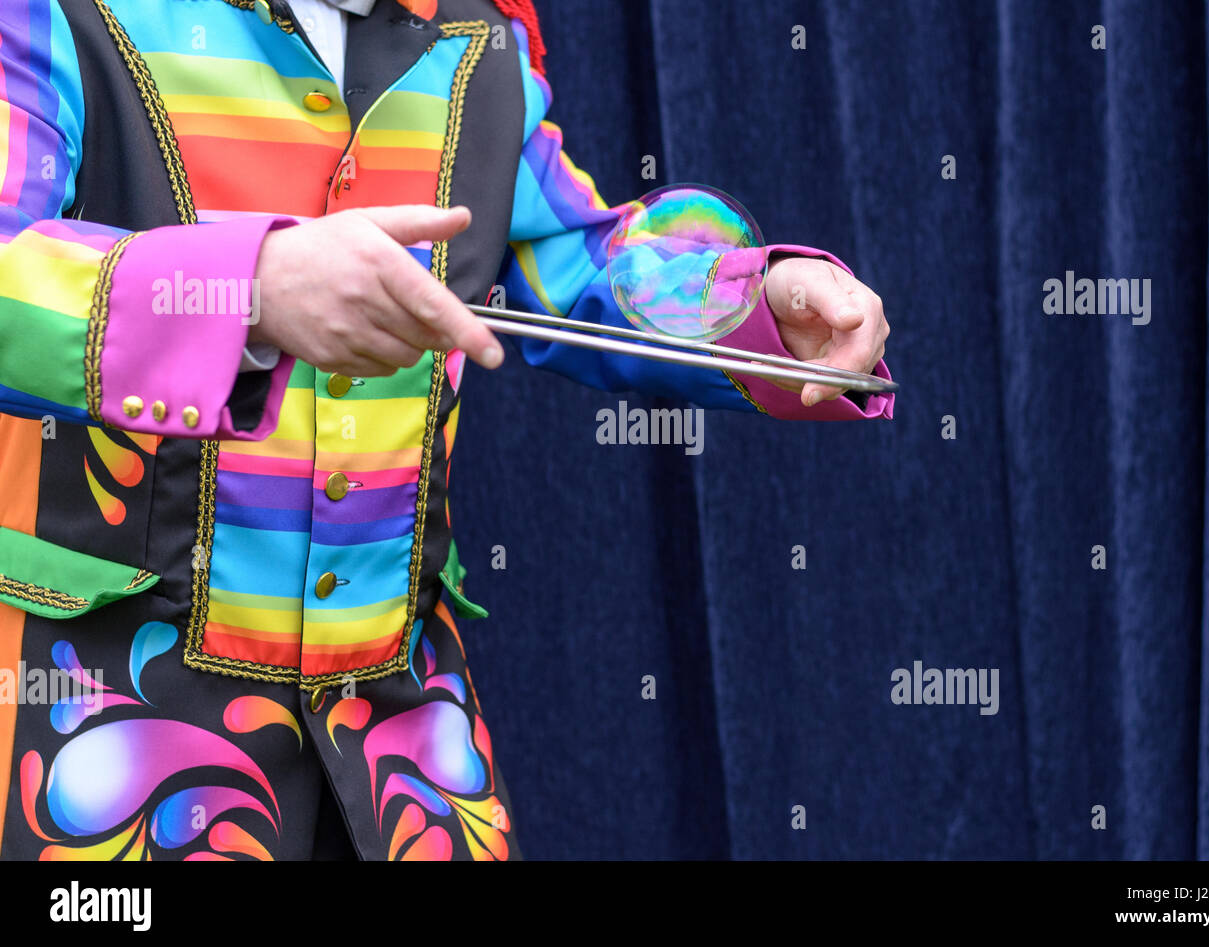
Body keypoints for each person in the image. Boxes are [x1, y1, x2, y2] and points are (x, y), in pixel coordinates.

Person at [0, 0, 891, 861]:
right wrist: (252, 286)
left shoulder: (480, 37)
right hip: (94, 736)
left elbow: (573, 260)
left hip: (409, 761)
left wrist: (753, 305)